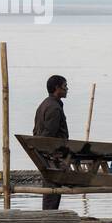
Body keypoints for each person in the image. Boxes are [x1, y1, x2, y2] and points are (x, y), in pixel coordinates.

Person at [32, 75, 69, 210]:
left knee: (50, 189)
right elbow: (49, 137)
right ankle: (49, 218)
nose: (67, 89)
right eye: (65, 86)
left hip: (45, 155)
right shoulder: (54, 108)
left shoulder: (44, 105)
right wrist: (55, 157)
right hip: (52, 155)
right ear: (57, 88)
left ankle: (48, 217)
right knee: (53, 190)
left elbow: (36, 131)